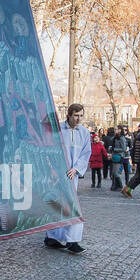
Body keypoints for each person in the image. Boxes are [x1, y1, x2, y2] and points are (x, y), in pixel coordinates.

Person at [44, 103, 90, 253]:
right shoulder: (58, 130)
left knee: (72, 206)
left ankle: (72, 239)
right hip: (57, 174)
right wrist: (52, 169)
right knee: (57, 205)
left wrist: (76, 168)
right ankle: (53, 236)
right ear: (69, 115)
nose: (79, 119)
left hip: (72, 176)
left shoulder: (84, 133)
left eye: (81, 116)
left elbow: (85, 153)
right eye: (76, 115)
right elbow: (50, 149)